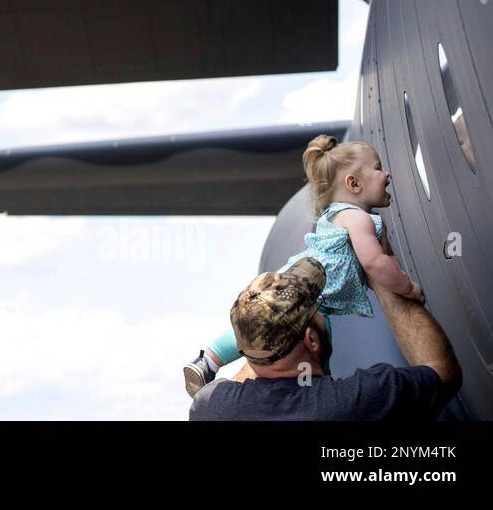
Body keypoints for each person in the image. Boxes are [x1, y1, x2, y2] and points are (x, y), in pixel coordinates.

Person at [183, 134, 422, 397]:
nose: (386, 174)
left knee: (268, 330)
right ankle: (318, 392)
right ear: (353, 183)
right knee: (281, 332)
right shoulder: (357, 218)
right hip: (304, 290)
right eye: (378, 168)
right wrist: (407, 287)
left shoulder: (337, 213)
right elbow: (375, 262)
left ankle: (208, 361)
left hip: (313, 297)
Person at [188, 256, 461, 420]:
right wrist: (381, 277)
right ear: (312, 340)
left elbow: (251, 379)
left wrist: (263, 339)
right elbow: (443, 372)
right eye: (318, 308)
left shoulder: (210, 408)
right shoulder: (363, 399)